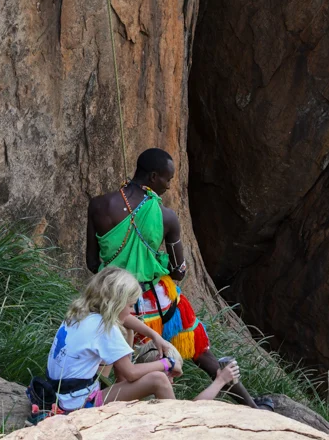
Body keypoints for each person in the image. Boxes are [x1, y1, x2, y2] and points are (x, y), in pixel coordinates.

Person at [86, 148, 269, 410]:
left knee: (105, 357)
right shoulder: (166, 216)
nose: (170, 186)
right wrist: (154, 261)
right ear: (152, 176)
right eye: (167, 179)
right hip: (156, 300)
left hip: (110, 298)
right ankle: (251, 405)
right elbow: (178, 270)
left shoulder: (99, 205)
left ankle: (91, 403)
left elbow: (92, 264)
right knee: (198, 347)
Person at [44, 266, 240, 413]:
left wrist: (155, 335)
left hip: (59, 393)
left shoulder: (80, 311)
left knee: (128, 334)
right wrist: (166, 364)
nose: (132, 311)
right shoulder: (104, 328)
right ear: (116, 303)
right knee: (158, 380)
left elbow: (126, 321)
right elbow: (130, 374)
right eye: (130, 305)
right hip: (75, 405)